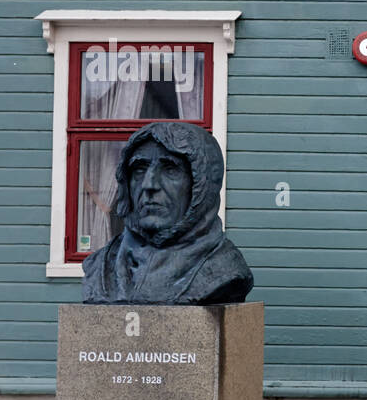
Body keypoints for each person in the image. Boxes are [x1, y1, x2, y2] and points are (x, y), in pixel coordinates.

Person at [82, 122, 253, 305]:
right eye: (139, 170)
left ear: (201, 186)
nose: (149, 185)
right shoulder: (100, 266)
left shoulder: (224, 269)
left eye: (170, 170)